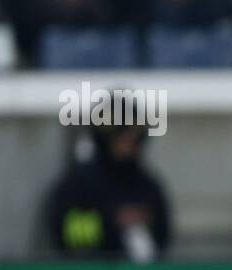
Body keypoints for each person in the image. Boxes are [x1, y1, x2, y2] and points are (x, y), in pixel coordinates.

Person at [45, 101, 171, 261]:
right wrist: (111, 221)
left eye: (134, 132)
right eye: (122, 132)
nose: (129, 139)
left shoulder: (148, 186)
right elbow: (65, 232)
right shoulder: (79, 184)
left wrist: (145, 223)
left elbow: (162, 236)